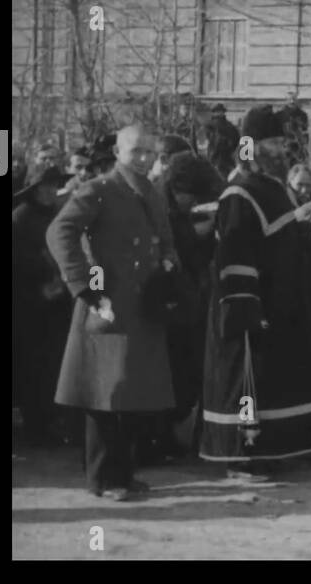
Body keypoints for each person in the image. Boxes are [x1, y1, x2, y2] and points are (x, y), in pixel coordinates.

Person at [46, 124, 179, 502]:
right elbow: (60, 231)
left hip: (142, 308)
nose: (143, 158)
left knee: (131, 395)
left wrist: (170, 262)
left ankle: (123, 472)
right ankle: (102, 478)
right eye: (136, 151)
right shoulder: (100, 190)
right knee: (104, 394)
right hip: (107, 305)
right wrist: (82, 283)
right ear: (119, 152)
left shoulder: (150, 191)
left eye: (150, 152)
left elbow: (164, 238)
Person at [200, 105, 311, 473]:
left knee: (276, 383)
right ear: (253, 146)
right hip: (251, 305)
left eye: (280, 142)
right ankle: (241, 456)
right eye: (273, 143)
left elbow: (285, 239)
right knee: (247, 385)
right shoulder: (238, 193)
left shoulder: (274, 188)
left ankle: (272, 451)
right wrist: (245, 304)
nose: (280, 149)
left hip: (283, 304)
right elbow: (234, 250)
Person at [155, 152, 226, 461]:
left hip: (187, 305)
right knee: (172, 377)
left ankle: (166, 434)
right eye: (191, 196)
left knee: (184, 376)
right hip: (169, 307)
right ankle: (160, 436)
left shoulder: (178, 213)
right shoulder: (162, 214)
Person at [13, 167, 73, 449]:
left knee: (51, 365)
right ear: (33, 189)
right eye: (44, 187)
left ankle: (49, 419)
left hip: (56, 304)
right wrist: (42, 279)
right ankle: (35, 424)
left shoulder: (56, 215)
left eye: (54, 186)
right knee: (31, 367)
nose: (50, 191)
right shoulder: (20, 218)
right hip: (29, 304)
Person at [205, 104, 242, 180]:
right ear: (223, 113)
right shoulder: (231, 127)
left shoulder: (208, 126)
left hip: (213, 160)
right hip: (227, 161)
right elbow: (236, 143)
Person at [278, 90, 309, 166]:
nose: (292, 102)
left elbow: (305, 131)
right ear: (286, 100)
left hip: (299, 148)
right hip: (284, 147)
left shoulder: (303, 115)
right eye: (289, 99)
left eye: (294, 99)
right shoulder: (279, 115)